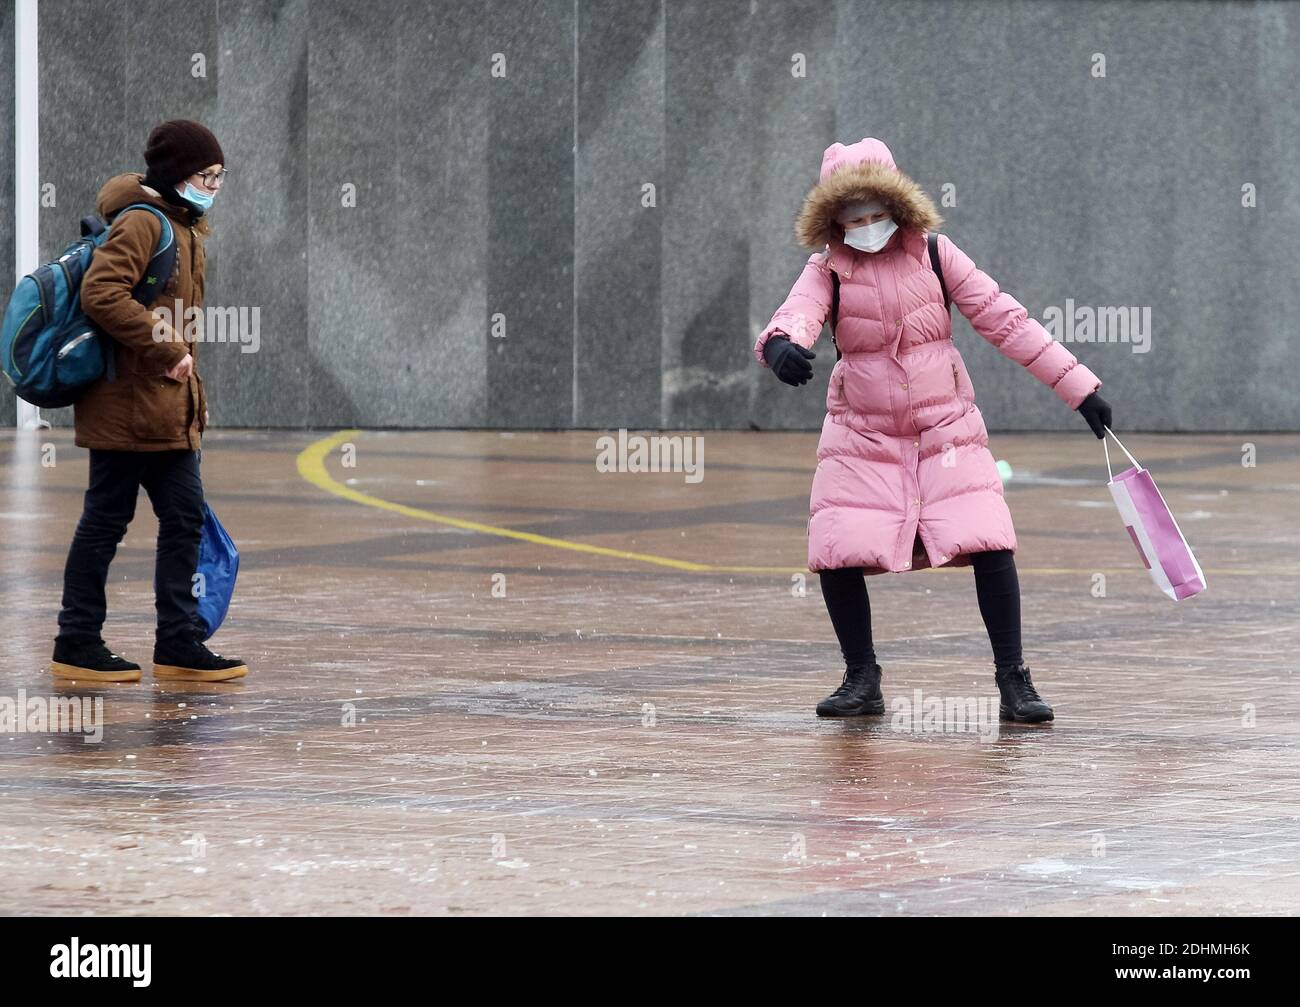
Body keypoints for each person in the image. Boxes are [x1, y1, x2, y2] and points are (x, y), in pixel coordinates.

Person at [756, 137, 1113, 723]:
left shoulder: (938, 255)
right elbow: (794, 314)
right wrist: (780, 348)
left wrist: (1079, 388)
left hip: (946, 430)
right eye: (853, 217)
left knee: (991, 543)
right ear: (833, 219)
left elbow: (1007, 320)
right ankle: (860, 676)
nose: (867, 226)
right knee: (838, 549)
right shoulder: (826, 270)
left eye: (877, 214)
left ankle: (1014, 680)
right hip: (862, 434)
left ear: (897, 206)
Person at [50, 119, 247, 683]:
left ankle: (178, 642)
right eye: (205, 175)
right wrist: (167, 349)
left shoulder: (184, 225)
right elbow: (101, 294)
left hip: (166, 411)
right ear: (175, 174)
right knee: (105, 522)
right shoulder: (143, 222)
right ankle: (77, 640)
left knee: (183, 520)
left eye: (219, 176)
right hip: (125, 406)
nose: (213, 185)